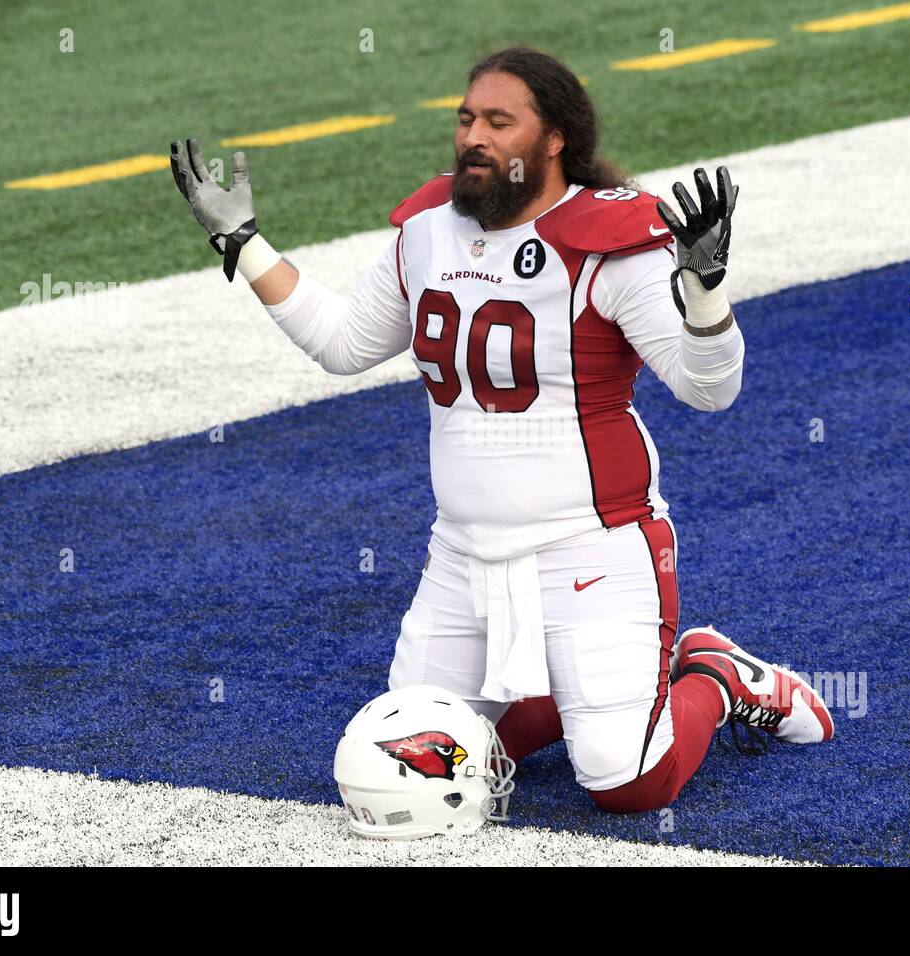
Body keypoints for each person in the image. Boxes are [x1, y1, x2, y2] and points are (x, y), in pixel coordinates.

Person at [170, 45, 833, 816]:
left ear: (553, 140)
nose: (472, 137)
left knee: (625, 784)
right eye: (465, 119)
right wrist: (243, 243)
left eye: (497, 121)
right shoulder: (426, 229)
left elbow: (709, 387)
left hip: (593, 545)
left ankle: (714, 677)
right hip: (462, 552)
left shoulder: (608, 245)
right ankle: (590, 687)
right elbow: (345, 345)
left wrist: (705, 293)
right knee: (417, 758)